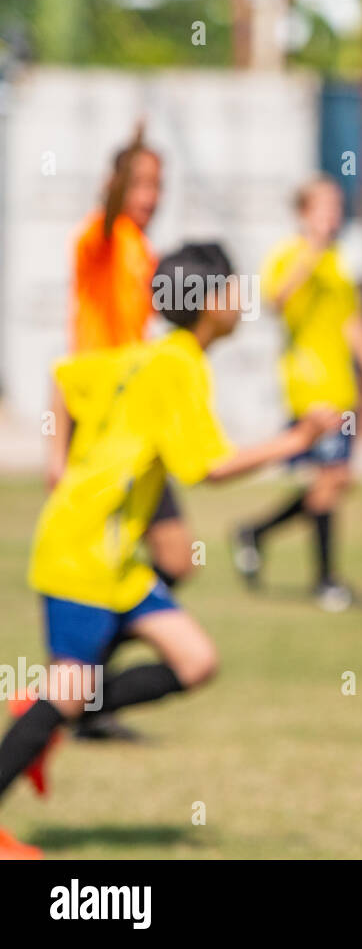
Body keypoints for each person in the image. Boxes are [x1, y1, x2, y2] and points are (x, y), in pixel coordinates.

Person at [0, 244, 339, 860]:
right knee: (73, 686)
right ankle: (50, 711)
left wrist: (58, 461)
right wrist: (297, 438)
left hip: (116, 558)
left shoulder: (154, 355)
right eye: (234, 290)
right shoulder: (177, 366)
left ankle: (49, 707)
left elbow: (64, 378)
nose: (242, 300)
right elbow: (208, 466)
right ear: (210, 305)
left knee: (194, 661)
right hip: (82, 553)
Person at [55, 127, 189, 742]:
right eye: (139, 182)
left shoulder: (141, 248)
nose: (150, 194)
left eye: (157, 183)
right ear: (114, 187)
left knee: (177, 557)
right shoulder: (100, 237)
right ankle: (82, 701)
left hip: (138, 426)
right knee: (165, 556)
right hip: (104, 429)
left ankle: (86, 697)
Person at [232, 176, 362, 612]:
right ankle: (326, 582)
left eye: (335, 206)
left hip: (340, 387)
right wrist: (311, 249)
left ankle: (255, 532)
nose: (332, 214)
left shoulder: (337, 262)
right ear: (303, 213)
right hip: (309, 388)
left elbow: (351, 325)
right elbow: (277, 299)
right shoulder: (291, 255)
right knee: (330, 478)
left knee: (338, 479)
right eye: (323, 207)